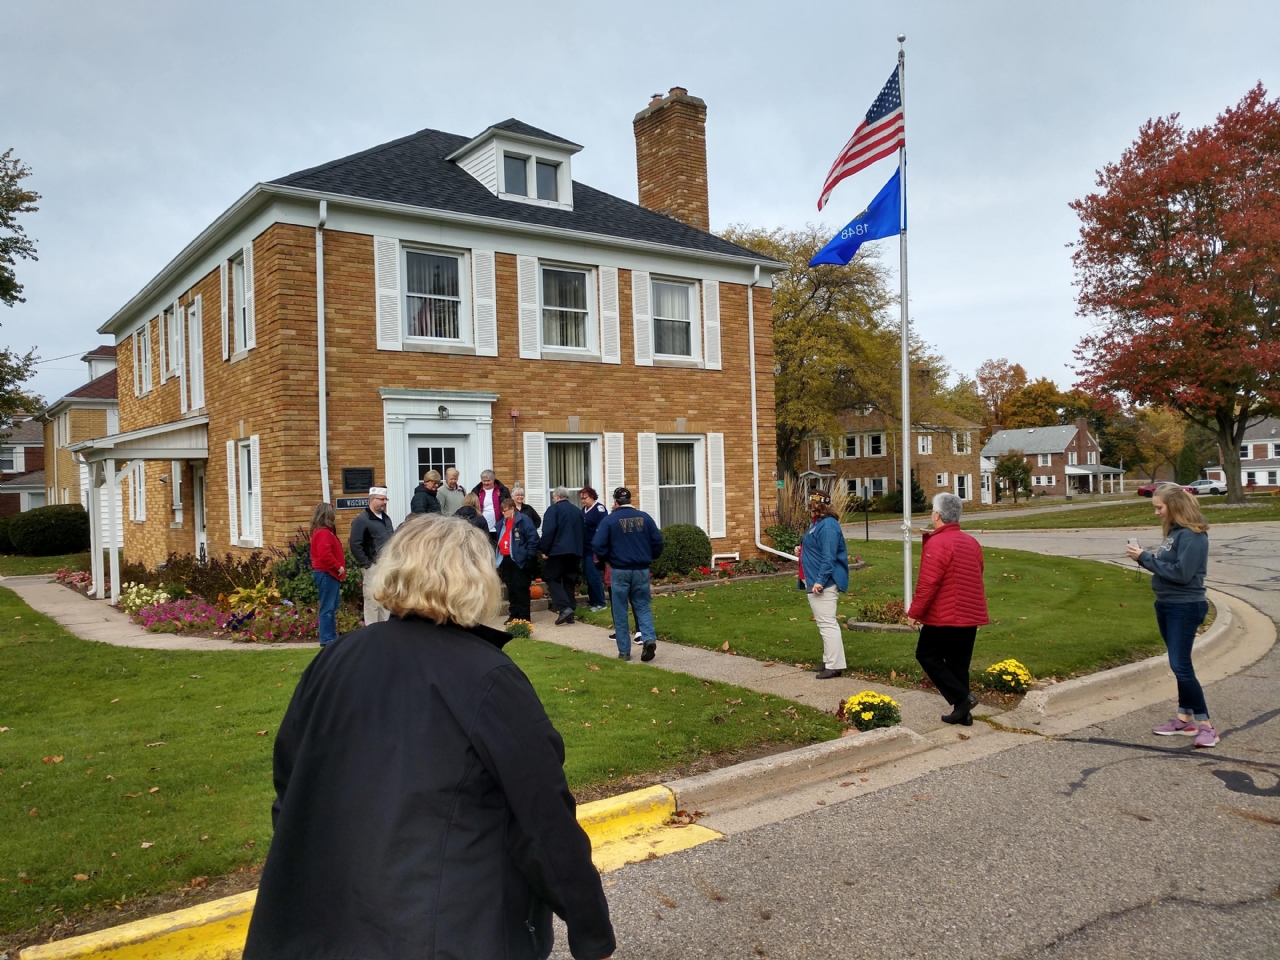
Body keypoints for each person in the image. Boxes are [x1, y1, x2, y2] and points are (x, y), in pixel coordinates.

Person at [242, 515, 616, 960]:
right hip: (446, 929)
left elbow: (288, 788)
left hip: (321, 925)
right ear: (478, 580)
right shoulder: (490, 677)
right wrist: (591, 930)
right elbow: (543, 818)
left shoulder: (336, 658)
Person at [1125, 484, 1216, 747]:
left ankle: (1206, 725)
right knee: (1179, 665)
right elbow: (1169, 566)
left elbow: (1181, 574)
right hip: (1166, 604)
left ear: (1174, 506)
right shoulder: (1175, 534)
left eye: (1159, 507)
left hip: (1185, 607)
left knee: (1181, 666)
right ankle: (1183, 719)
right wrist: (1144, 558)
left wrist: (1146, 558)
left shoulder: (1192, 536)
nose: (1156, 513)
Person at [906, 492, 990, 725]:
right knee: (958, 664)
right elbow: (978, 574)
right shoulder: (971, 542)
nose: (932, 514)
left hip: (944, 615)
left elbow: (928, 583)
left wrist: (914, 612)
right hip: (969, 613)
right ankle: (963, 713)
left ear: (937, 515)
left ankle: (963, 698)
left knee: (926, 654)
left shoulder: (938, 542)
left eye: (933, 510)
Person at [591, 487, 663, 661]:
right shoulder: (645, 518)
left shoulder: (610, 520)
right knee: (642, 606)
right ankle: (648, 638)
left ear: (615, 502)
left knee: (620, 610)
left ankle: (624, 651)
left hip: (620, 570)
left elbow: (598, 545)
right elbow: (658, 542)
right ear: (630, 500)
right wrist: (648, 557)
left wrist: (607, 559)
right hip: (641, 570)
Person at [797, 490, 850, 679]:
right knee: (824, 623)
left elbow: (829, 558)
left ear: (817, 506)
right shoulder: (817, 523)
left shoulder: (827, 526)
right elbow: (818, 548)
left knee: (827, 623)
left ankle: (835, 666)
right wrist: (802, 550)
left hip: (824, 582)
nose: (808, 508)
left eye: (810, 504)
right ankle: (829, 660)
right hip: (815, 580)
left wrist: (820, 581)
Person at [349, 486, 395, 625]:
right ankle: (371, 629)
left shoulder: (386, 518)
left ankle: (385, 629)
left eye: (385, 499)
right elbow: (355, 544)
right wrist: (366, 564)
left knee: (385, 598)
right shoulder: (362, 520)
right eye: (381, 499)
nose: (384, 502)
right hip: (373, 565)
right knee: (372, 600)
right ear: (372, 499)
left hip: (386, 564)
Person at [540, 486, 585, 625]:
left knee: (550, 577)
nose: (554, 499)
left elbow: (548, 531)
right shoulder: (577, 511)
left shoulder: (553, 510)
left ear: (557, 497)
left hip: (558, 551)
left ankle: (564, 607)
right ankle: (570, 611)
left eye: (554, 497)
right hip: (575, 551)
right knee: (569, 580)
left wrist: (545, 550)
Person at [497, 497, 540, 624]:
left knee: (521, 589)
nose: (503, 514)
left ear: (512, 509)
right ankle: (514, 615)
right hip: (506, 559)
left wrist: (529, 557)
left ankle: (524, 617)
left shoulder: (524, 521)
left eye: (505, 511)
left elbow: (533, 539)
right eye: (502, 511)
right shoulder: (502, 523)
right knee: (511, 589)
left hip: (520, 560)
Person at [308, 503, 346, 646]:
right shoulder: (324, 533)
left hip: (327, 573)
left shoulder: (322, 531)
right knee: (328, 608)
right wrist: (338, 566)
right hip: (327, 573)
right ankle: (327, 638)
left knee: (331, 606)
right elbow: (325, 555)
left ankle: (330, 636)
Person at [580, 486, 609, 612]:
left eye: (585, 498)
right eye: (581, 499)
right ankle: (593, 601)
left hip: (594, 548)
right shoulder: (584, 510)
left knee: (594, 575)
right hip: (585, 548)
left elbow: (603, 528)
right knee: (587, 575)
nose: (583, 501)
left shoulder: (599, 509)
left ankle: (600, 602)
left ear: (592, 496)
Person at [471, 469, 512, 539]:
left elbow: (509, 506)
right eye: (484, 481)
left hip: (499, 525)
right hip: (481, 527)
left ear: (493, 480)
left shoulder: (503, 491)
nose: (486, 483)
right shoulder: (476, 492)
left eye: (488, 480)